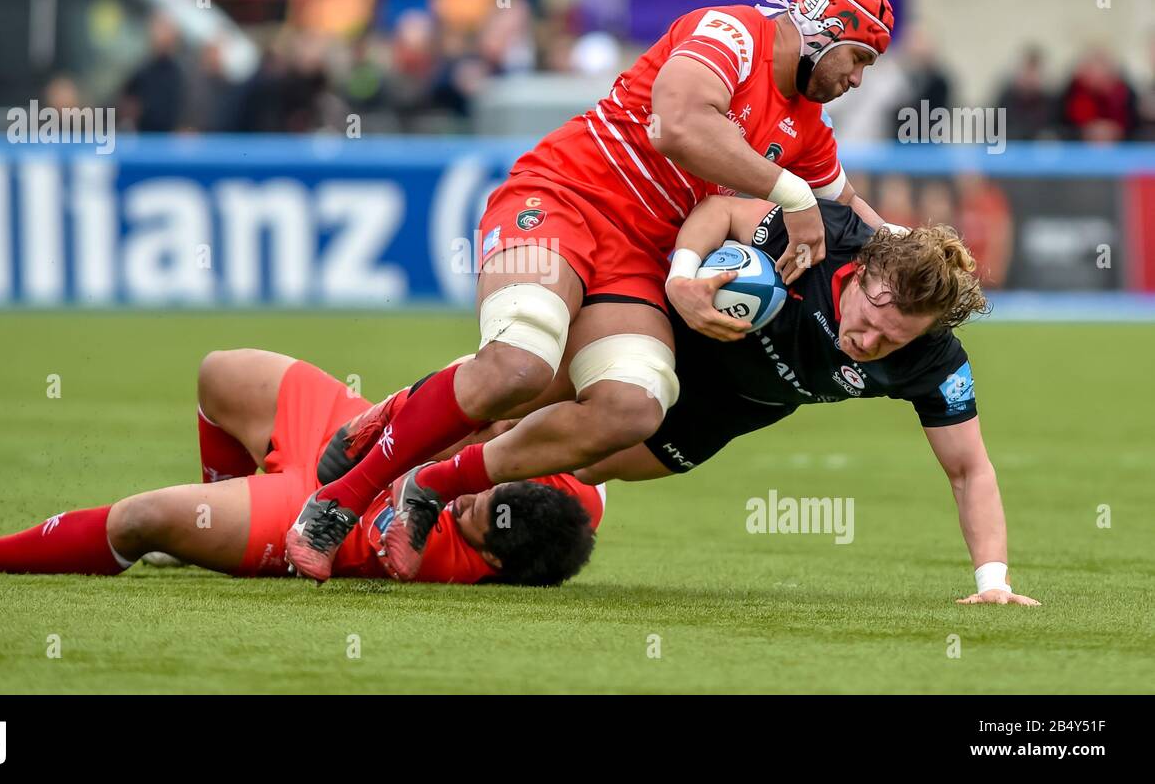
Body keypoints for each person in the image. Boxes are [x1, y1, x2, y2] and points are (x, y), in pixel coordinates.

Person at [285, 0, 896, 581]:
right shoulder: (733, 32)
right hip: (562, 198)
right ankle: (338, 501)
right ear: (828, 28)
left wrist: (919, 258)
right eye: (859, 56)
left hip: (637, 260)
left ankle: (422, 484)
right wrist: (790, 192)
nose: (857, 78)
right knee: (519, 365)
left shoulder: (809, 128)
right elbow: (680, 123)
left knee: (634, 406)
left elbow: (853, 217)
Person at [429, 196, 1038, 605]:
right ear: (869, 272)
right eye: (871, 318)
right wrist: (685, 274)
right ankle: (391, 469)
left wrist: (993, 581)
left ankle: (454, 511)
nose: (868, 343)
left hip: (728, 407)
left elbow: (969, 470)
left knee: (583, 461)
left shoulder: (934, 361)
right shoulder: (826, 235)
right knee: (521, 403)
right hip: (676, 329)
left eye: (890, 342)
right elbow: (719, 209)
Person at [0, 351, 601, 587]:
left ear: (495, 561)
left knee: (141, 516)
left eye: (471, 515)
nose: (462, 495)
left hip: (319, 517)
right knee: (219, 375)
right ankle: (214, 509)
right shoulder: (571, 500)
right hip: (351, 432)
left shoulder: (450, 560)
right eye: (485, 487)